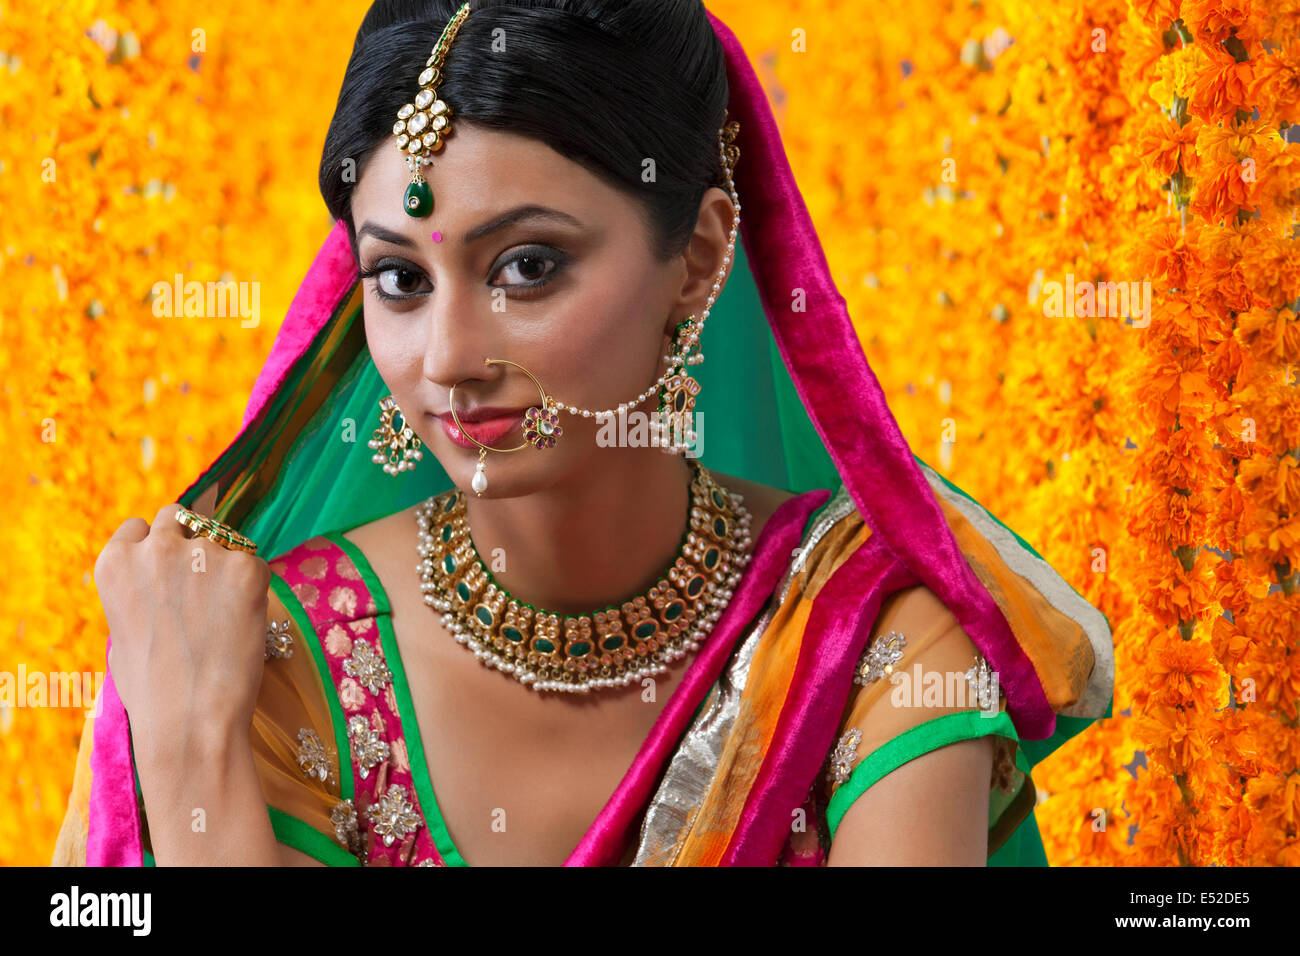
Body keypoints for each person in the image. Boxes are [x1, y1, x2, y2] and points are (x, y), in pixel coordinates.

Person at [51, 0, 1113, 867]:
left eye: (526, 267)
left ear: (695, 259)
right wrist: (191, 756)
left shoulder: (868, 642)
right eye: (399, 280)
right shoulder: (263, 653)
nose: (448, 355)